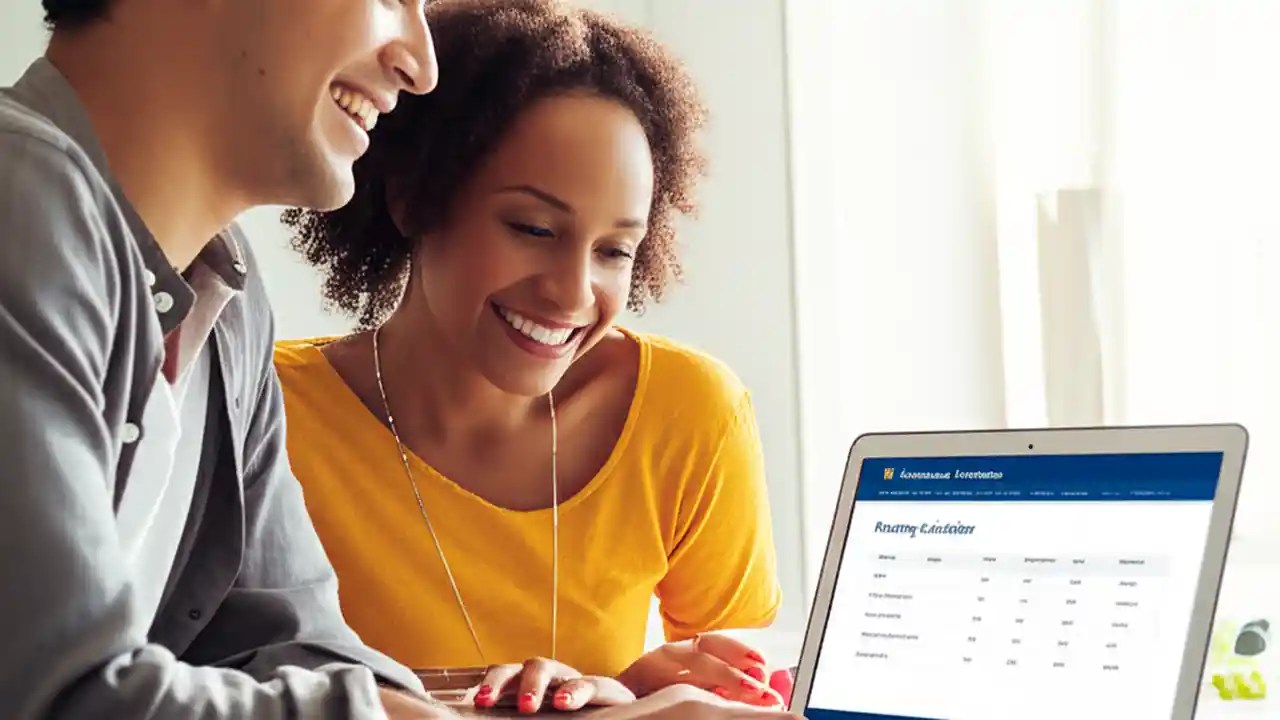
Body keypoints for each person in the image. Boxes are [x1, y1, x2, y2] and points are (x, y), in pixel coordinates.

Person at [0, 0, 796, 718]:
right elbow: (58, 694)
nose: (419, 61)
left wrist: (592, 705)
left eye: (616, 248)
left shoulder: (226, 304)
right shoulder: (20, 205)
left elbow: (303, 653)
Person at [275, 0, 786, 713]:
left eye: (614, 251)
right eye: (534, 228)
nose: (574, 294)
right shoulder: (263, 412)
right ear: (413, 198)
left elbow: (741, 689)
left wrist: (626, 695)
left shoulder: (691, 414)